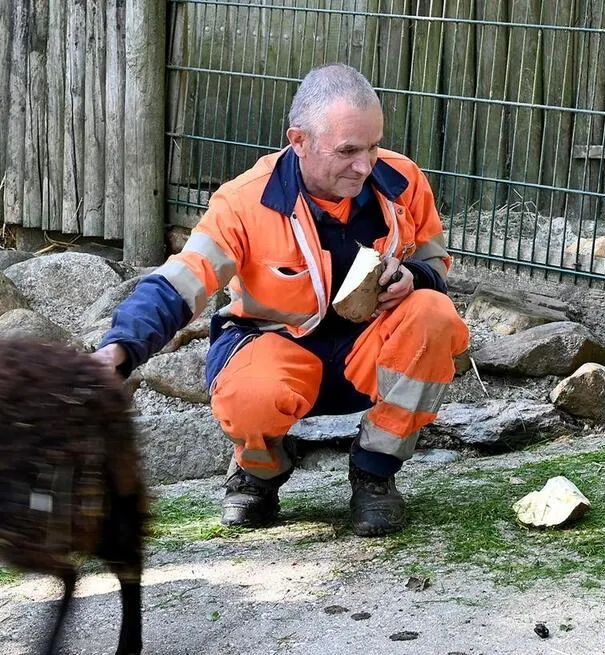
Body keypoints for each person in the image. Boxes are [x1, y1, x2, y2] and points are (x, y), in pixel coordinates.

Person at [93, 63, 469, 536]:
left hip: (369, 349)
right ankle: (260, 471)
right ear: (299, 140)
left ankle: (375, 472)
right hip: (274, 346)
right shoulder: (244, 201)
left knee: (435, 315)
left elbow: (437, 266)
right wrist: (120, 348)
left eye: (374, 146)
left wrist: (414, 277)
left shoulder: (404, 179)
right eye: (349, 150)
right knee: (249, 395)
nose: (366, 164)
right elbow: (181, 281)